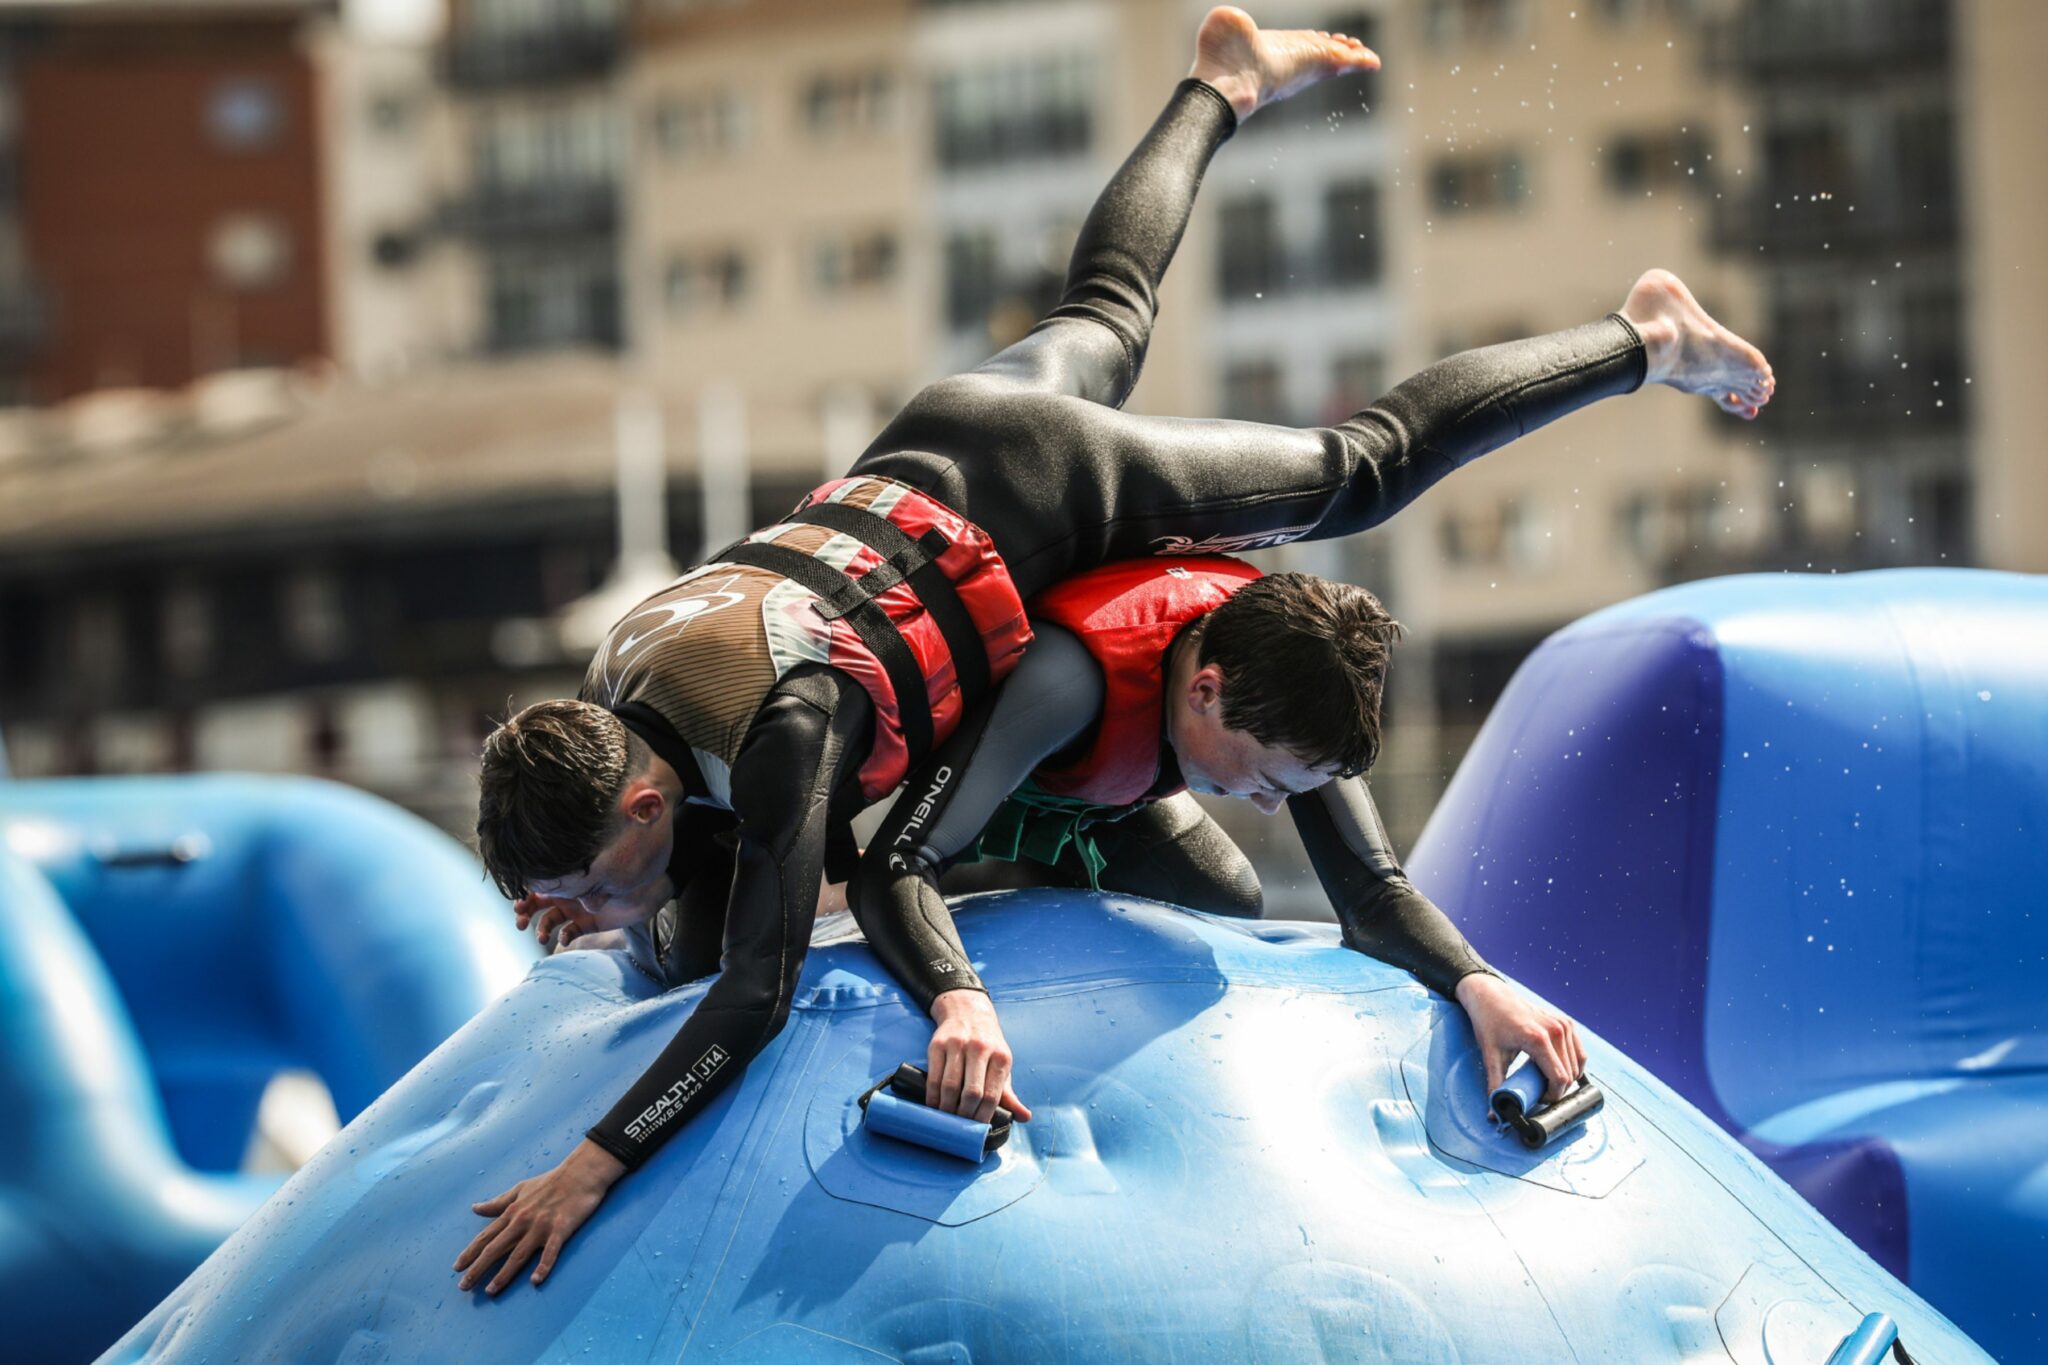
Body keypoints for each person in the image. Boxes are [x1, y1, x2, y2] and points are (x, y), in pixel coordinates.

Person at [455, 5, 1774, 1297]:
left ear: (642, 796)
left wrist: (591, 1167)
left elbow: (758, 986)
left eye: (584, 873)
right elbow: (673, 889)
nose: (567, 908)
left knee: (1356, 476)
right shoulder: (603, 710)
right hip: (918, 460)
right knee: (1113, 311)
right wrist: (586, 896)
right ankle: (1225, 80)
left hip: (1044, 483)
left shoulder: (798, 724)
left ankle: (1644, 338)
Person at [849, 556, 1583, 1133]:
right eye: (1265, 776)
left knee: (1222, 895)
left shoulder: (1299, 684)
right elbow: (894, 864)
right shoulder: (1068, 679)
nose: (1270, 805)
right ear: (1205, 690)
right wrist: (959, 997)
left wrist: (1477, 981)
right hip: (974, 793)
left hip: (1098, 800)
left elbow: (1375, 890)